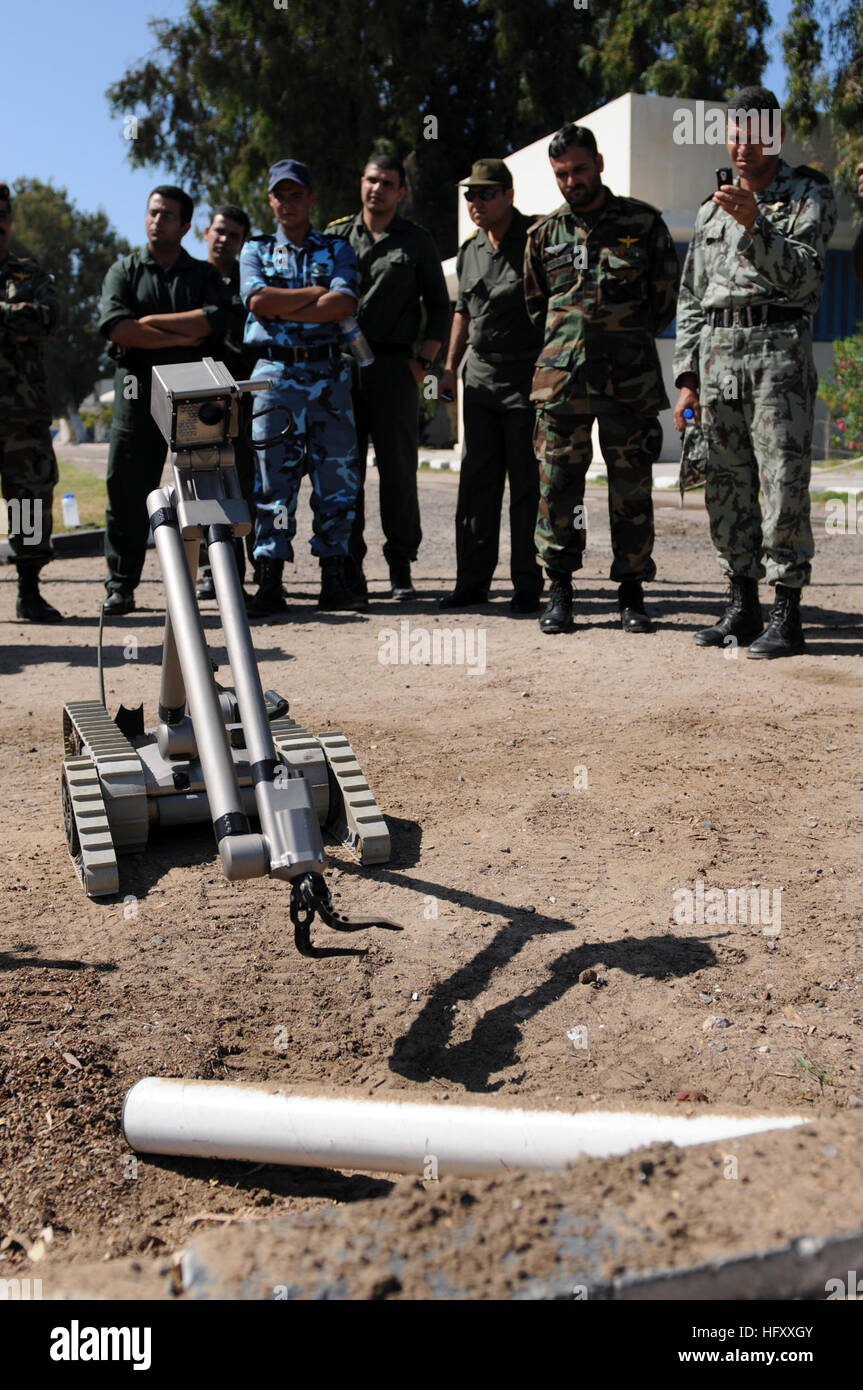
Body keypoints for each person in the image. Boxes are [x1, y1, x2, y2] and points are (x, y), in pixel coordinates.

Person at [673, 87, 837, 658]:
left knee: (783, 486)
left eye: (755, 134)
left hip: (777, 354)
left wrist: (757, 229)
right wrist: (687, 378)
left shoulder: (807, 193)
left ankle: (787, 614)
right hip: (718, 356)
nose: (743, 147)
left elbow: (806, 278)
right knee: (725, 484)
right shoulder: (710, 206)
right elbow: (692, 296)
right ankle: (741, 607)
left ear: (776, 135)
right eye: (734, 134)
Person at [524, 125, 680, 635]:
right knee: (558, 488)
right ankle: (561, 592)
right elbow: (535, 308)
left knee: (631, 488)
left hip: (627, 381)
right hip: (561, 383)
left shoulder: (643, 223)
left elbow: (663, 303)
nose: (573, 181)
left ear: (600, 163)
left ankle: (632, 594)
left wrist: (620, 341)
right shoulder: (544, 236)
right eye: (562, 174)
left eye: (580, 169)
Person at [239, 159, 363, 616]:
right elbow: (257, 300)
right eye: (280, 195)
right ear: (270, 201)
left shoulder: (337, 248)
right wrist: (315, 296)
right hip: (274, 378)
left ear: (310, 198)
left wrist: (281, 306)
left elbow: (345, 302)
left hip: (329, 377)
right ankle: (270, 582)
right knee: (273, 483)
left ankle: (334, 576)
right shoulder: (254, 251)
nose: (287, 203)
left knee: (337, 480)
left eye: (296, 195)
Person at [326, 153, 450, 601]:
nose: (377, 189)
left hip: (396, 369)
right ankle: (349, 566)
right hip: (342, 370)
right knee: (345, 471)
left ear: (401, 192)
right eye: (371, 180)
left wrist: (423, 363)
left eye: (388, 183)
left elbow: (440, 306)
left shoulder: (415, 241)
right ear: (361, 183)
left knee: (398, 470)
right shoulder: (336, 236)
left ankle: (401, 565)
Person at [98, 186, 224, 615]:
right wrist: (182, 334)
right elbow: (118, 328)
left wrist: (149, 324)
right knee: (128, 489)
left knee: (204, 484)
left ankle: (213, 573)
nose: (157, 220)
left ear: (186, 225)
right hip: (136, 395)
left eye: (168, 215)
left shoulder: (203, 275)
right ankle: (121, 584)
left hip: (192, 397)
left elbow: (214, 321)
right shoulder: (125, 270)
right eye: (152, 212)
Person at [438, 159, 544, 613]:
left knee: (525, 486)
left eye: (485, 194)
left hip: (525, 377)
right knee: (477, 486)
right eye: (470, 196)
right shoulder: (470, 249)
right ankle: (472, 583)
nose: (475, 203)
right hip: (479, 378)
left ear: (508, 195)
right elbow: (462, 309)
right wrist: (448, 367)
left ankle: (527, 585)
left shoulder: (536, 239)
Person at [0, 181, 63, 622]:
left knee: (27, 503)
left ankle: (29, 591)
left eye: (1, 212)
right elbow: (27, 322)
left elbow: (48, 318)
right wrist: (13, 322)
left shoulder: (29, 276)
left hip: (22, 415)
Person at [194, 203, 258, 601]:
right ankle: (207, 570)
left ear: (242, 242)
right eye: (219, 231)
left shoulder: (249, 280)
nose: (224, 239)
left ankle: (244, 572)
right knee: (201, 484)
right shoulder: (191, 277)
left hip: (241, 396)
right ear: (206, 233)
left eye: (234, 235)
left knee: (243, 484)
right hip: (198, 399)